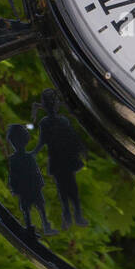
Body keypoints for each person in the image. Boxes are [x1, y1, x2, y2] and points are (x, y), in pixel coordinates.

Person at [34, 89, 88, 228]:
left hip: (65, 159)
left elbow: (72, 136)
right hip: (58, 159)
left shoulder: (62, 120)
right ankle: (69, 217)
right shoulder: (45, 123)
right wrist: (32, 153)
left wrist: (81, 148)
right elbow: (42, 141)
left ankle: (76, 215)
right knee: (64, 190)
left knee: (71, 189)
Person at [5, 122, 55, 235]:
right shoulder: (17, 159)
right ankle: (31, 228)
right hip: (26, 187)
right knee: (28, 208)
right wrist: (14, 186)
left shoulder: (25, 157)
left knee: (39, 206)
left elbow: (34, 171)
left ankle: (43, 226)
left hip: (32, 186)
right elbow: (14, 174)